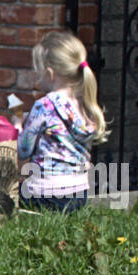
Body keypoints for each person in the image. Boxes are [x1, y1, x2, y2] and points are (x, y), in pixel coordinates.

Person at [17, 31, 108, 213]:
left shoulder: (45, 106)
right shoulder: (87, 103)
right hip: (78, 194)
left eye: (38, 73)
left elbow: (23, 149)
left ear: (50, 74)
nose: (37, 78)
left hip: (45, 193)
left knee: (1, 196)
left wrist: (17, 125)